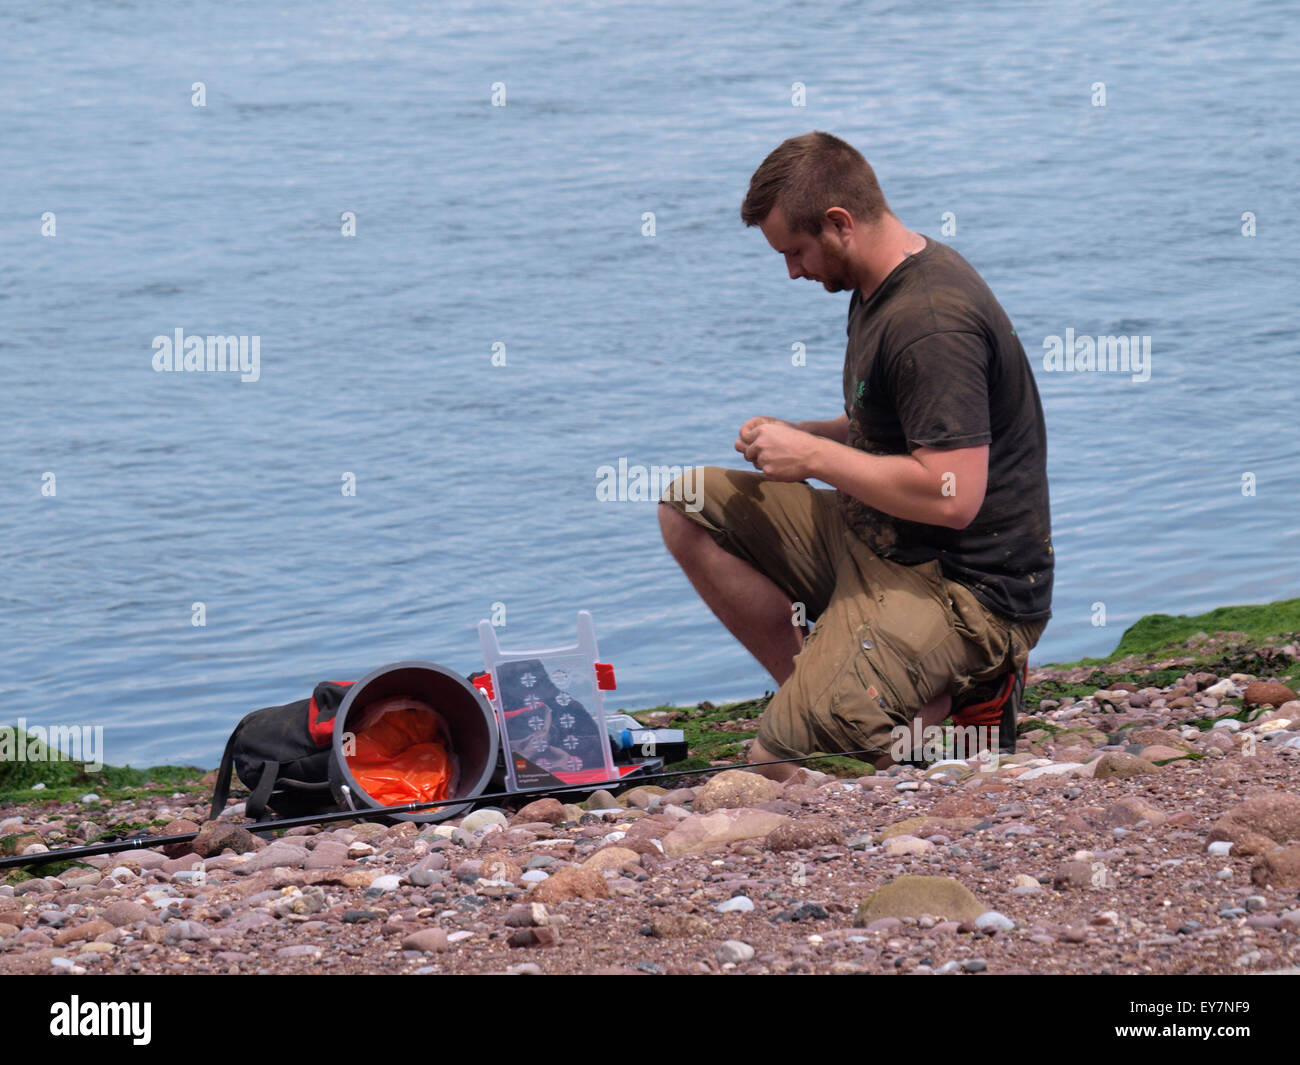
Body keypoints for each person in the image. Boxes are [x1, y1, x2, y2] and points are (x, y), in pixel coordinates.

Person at [658, 131, 1053, 781]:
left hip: (961, 586)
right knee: (689, 504)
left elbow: (954, 495)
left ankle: (965, 699)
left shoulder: (931, 321)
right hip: (873, 537)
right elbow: (892, 425)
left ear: (839, 223)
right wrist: (808, 431)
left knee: (779, 764)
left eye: (796, 250)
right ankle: (834, 688)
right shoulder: (874, 286)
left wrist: (811, 456)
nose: (791, 271)